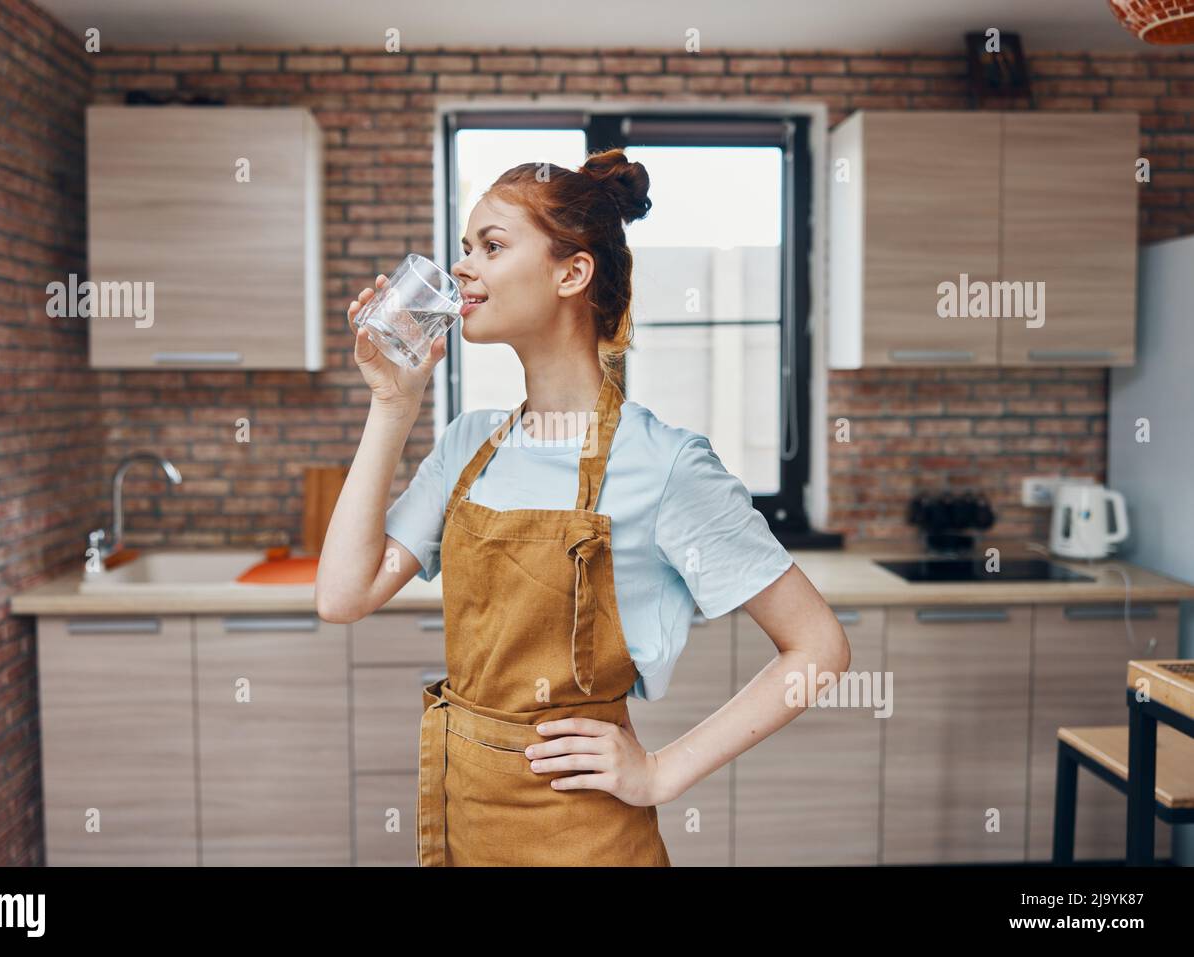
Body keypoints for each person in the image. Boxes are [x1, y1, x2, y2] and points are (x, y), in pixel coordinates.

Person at [315, 148, 850, 867]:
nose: (463, 268)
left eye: (492, 246)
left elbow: (818, 648)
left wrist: (662, 769)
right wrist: (391, 402)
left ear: (572, 272)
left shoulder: (664, 463)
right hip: (463, 823)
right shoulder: (467, 445)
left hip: (586, 841)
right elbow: (343, 594)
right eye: (465, 248)